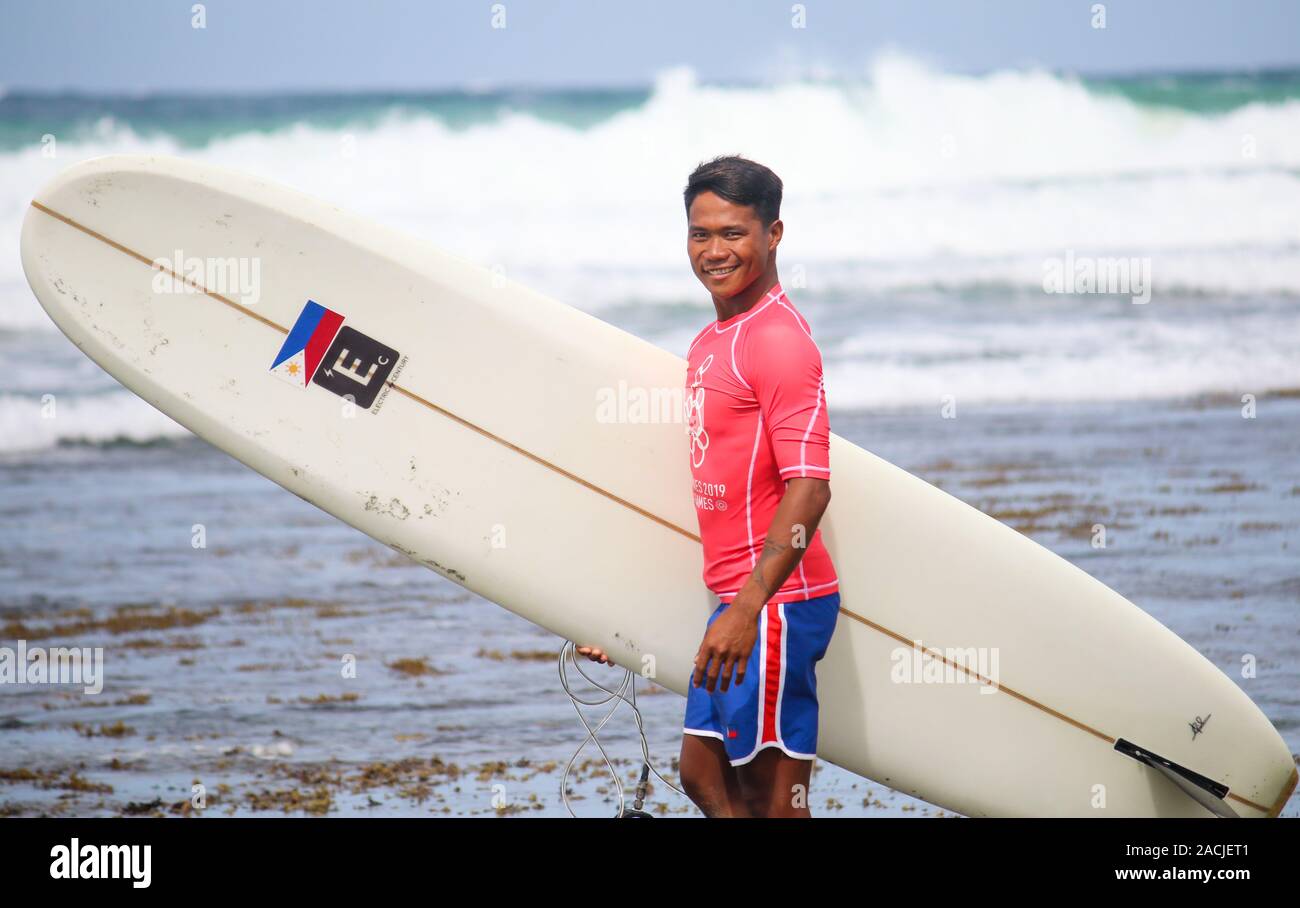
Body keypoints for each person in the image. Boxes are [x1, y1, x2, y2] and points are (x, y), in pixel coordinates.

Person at [578, 155, 839, 818]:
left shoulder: (778, 341)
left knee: (773, 799)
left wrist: (750, 610)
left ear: (773, 235)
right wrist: (620, 619)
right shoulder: (712, 340)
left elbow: (810, 488)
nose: (714, 251)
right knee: (704, 777)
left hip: (775, 603)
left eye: (733, 233)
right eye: (700, 234)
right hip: (732, 599)